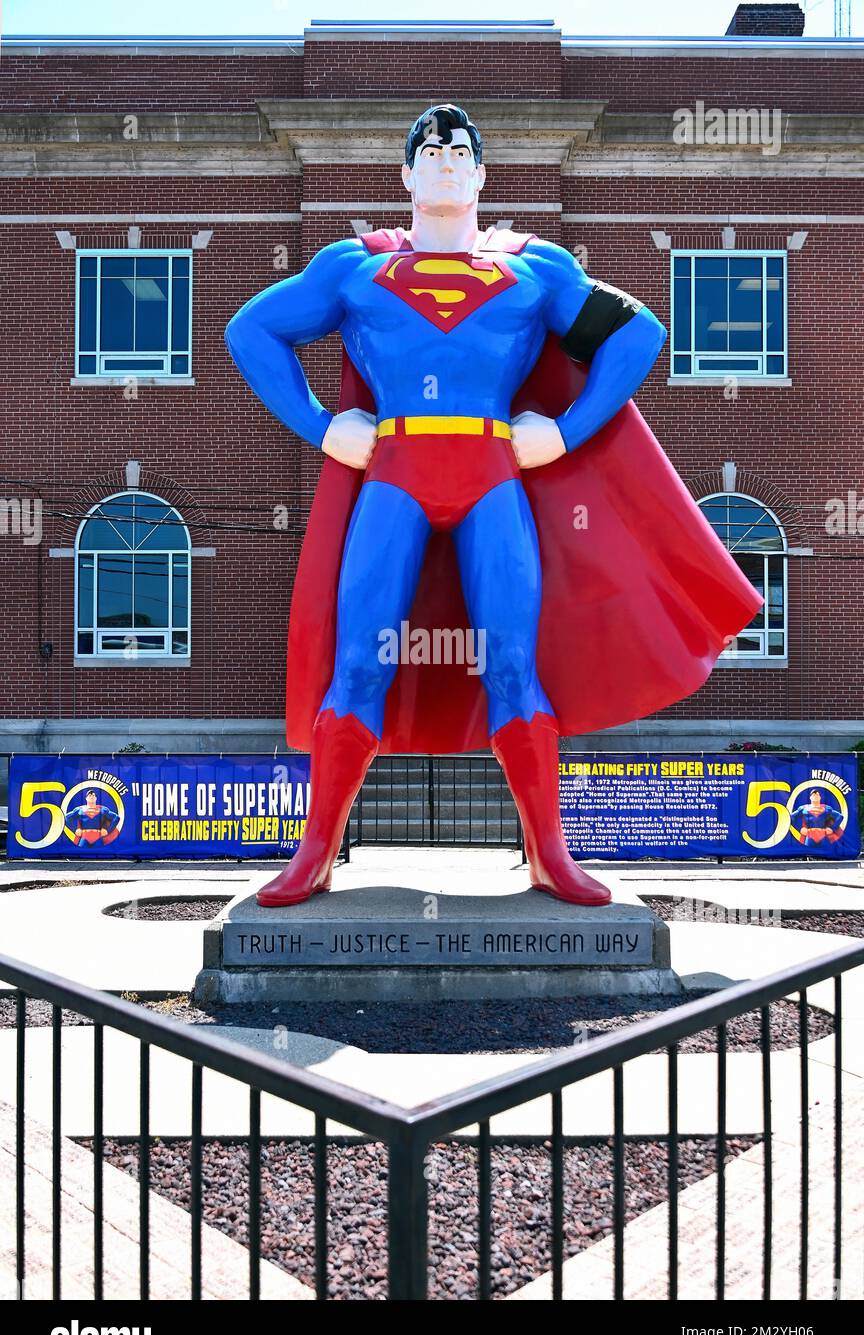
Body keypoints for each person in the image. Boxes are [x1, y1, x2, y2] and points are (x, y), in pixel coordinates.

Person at [226, 104, 728, 908]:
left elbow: (638, 335)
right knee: (359, 662)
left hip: (493, 476)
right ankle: (313, 854)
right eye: (429, 150)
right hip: (395, 473)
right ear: (405, 176)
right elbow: (251, 331)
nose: (446, 159)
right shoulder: (356, 267)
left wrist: (564, 435)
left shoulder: (536, 269)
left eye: (461, 150)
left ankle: (547, 853)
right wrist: (322, 427)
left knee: (513, 665)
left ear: (484, 175)